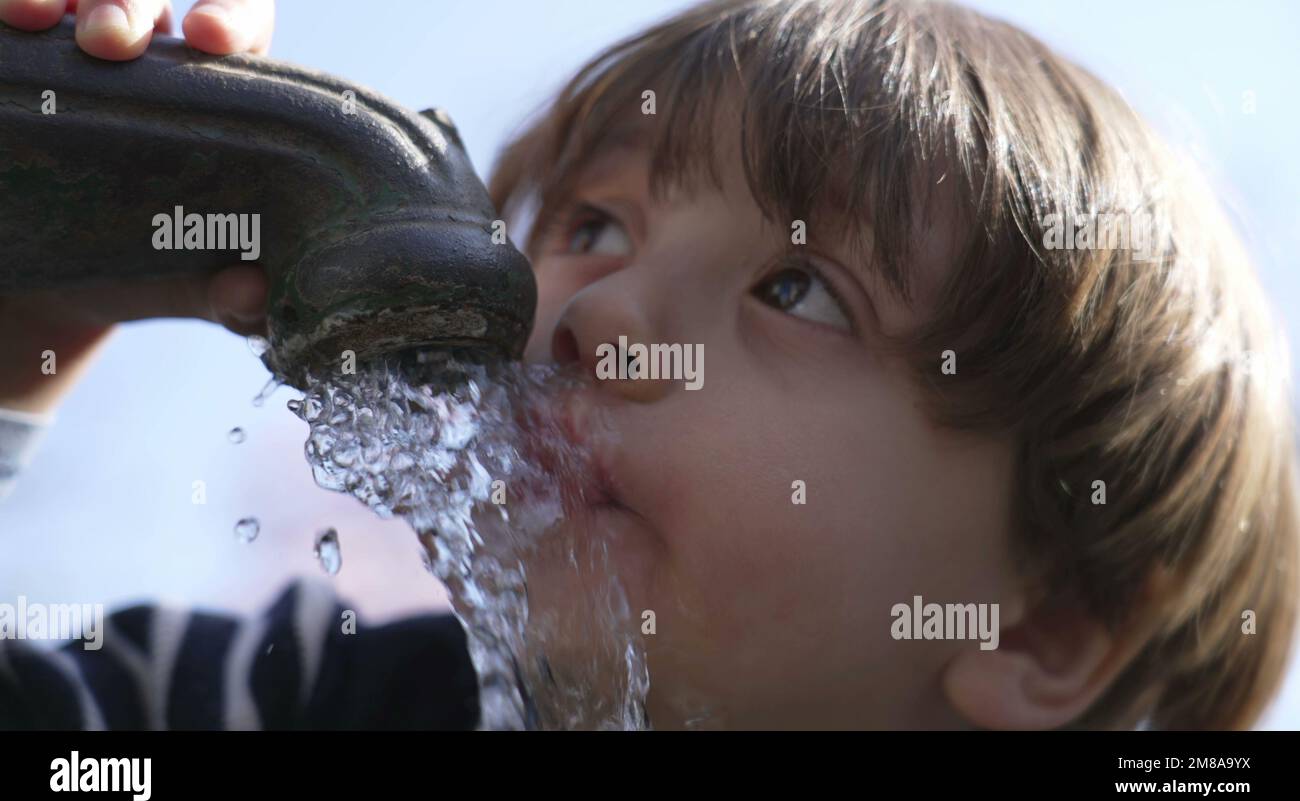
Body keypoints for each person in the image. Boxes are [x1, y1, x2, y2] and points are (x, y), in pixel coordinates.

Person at [1, 0, 1296, 730]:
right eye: (591, 226)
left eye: (798, 289)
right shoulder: (308, 704)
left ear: (1043, 629)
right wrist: (25, 332)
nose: (592, 314)